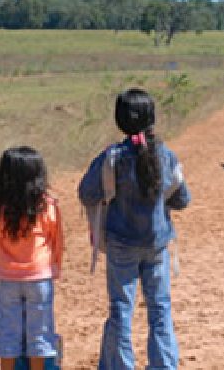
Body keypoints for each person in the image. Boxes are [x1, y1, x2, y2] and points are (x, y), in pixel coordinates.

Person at [78, 88, 191, 370]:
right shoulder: (166, 156)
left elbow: (86, 193)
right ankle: (164, 365)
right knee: (160, 309)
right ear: (151, 118)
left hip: (121, 244)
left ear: (120, 120)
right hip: (157, 243)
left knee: (121, 309)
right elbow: (182, 199)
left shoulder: (112, 157)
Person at [0, 146, 63, 370]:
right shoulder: (47, 205)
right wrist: (55, 267)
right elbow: (56, 238)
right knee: (40, 334)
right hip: (39, 277)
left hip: (8, 278)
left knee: (8, 335)